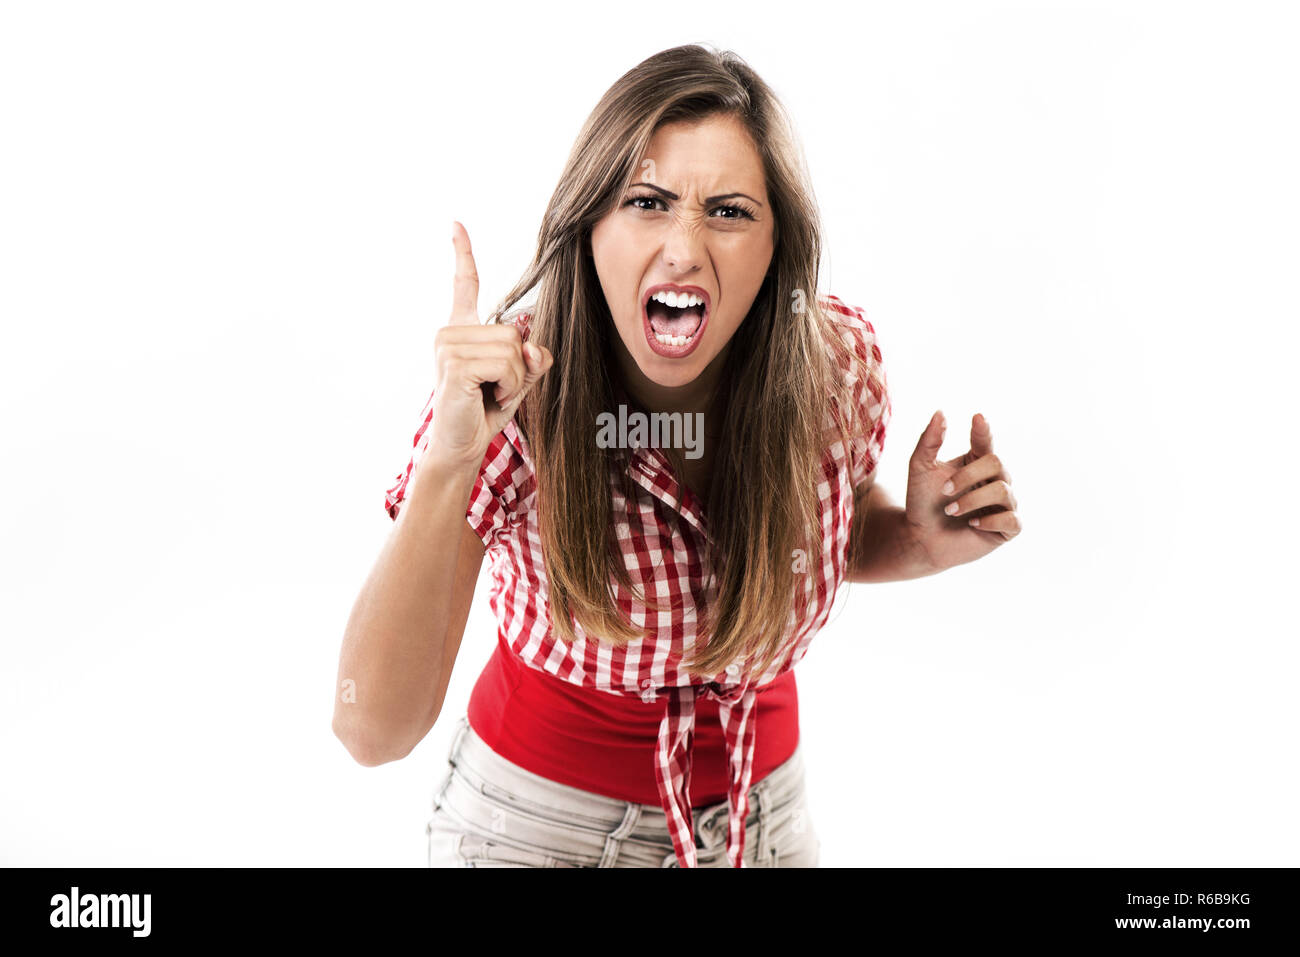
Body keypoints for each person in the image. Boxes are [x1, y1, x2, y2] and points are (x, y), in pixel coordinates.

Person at [332, 44, 1022, 868]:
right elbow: (370, 728)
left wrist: (911, 538)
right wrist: (450, 463)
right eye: (647, 201)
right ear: (590, 225)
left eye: (729, 211)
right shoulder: (507, 401)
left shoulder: (834, 371)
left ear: (777, 247)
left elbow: (810, 540)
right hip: (537, 828)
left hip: (764, 818)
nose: (686, 248)